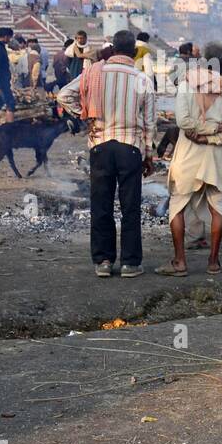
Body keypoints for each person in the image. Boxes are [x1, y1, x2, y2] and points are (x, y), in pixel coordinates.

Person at [56, 29, 157, 278]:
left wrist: (84, 112)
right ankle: (130, 263)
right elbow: (150, 123)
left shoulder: (93, 72)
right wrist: (148, 155)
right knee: (130, 206)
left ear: (112, 49)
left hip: (100, 144)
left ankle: (103, 261)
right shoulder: (142, 79)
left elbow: (63, 95)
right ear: (133, 52)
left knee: (101, 204)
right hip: (129, 147)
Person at [156, 42, 222, 277]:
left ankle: (179, 262)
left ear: (204, 58)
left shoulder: (187, 84)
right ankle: (214, 263)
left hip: (188, 156)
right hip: (218, 159)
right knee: (218, 209)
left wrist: (204, 132)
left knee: (177, 206)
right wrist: (215, 133)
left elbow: (183, 122)